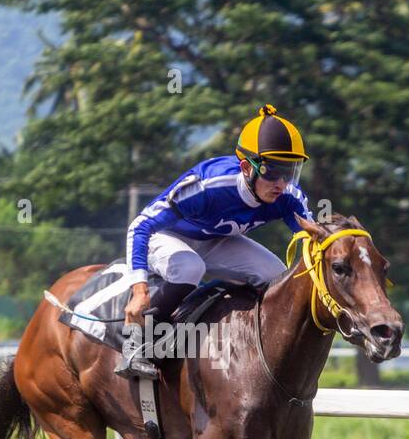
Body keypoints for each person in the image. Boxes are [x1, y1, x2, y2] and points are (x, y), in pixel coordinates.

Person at [115, 104, 315, 379]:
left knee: (277, 275)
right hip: (168, 236)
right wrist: (139, 291)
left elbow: (312, 240)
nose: (280, 183)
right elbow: (140, 226)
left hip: (217, 239)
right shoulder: (209, 186)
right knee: (190, 267)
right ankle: (135, 344)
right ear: (247, 167)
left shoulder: (288, 196)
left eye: (289, 172)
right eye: (271, 171)